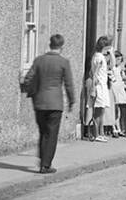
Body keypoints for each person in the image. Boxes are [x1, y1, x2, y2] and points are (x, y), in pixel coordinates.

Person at [20, 33, 76, 173]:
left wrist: (28, 89)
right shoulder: (64, 62)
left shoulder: (39, 60)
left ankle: (42, 160)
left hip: (39, 102)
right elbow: (69, 84)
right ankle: (46, 164)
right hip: (55, 103)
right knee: (51, 134)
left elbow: (28, 78)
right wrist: (71, 100)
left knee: (43, 132)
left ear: (50, 44)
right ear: (61, 46)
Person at [89, 36, 111, 142]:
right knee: (98, 111)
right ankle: (96, 134)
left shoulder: (98, 56)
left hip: (102, 85)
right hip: (99, 86)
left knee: (101, 110)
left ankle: (100, 133)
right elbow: (95, 74)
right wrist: (93, 88)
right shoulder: (99, 58)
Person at [110, 50, 126, 136]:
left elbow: (124, 78)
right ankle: (114, 128)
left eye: (120, 60)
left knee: (118, 110)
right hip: (114, 88)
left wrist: (125, 78)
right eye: (117, 59)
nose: (119, 62)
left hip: (120, 88)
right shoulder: (112, 68)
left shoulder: (120, 68)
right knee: (114, 110)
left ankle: (119, 128)